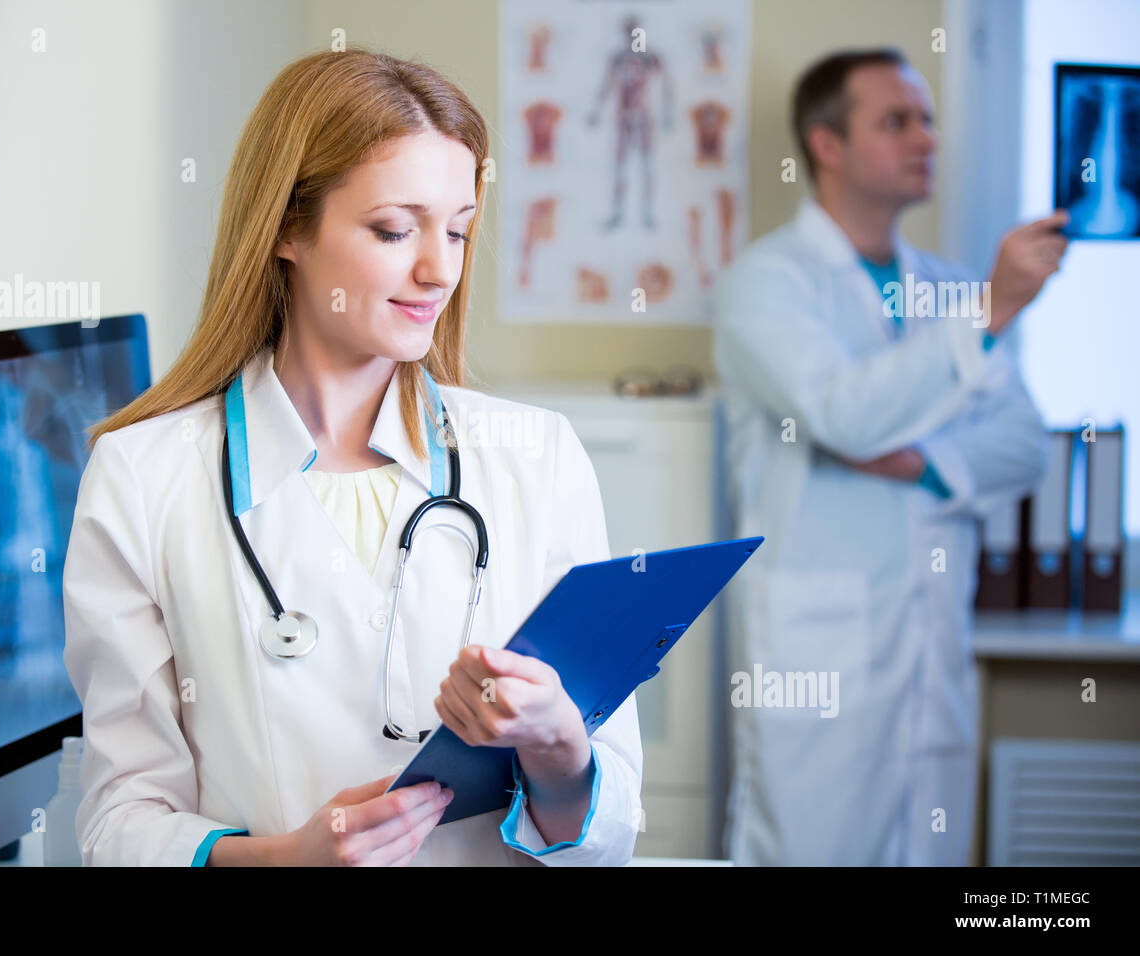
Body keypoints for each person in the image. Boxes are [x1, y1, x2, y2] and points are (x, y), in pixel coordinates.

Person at [62, 49, 641, 866]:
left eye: (460, 230)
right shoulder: (144, 477)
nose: (439, 269)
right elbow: (120, 821)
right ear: (289, 227)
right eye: (394, 230)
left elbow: (611, 835)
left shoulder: (536, 458)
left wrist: (557, 749)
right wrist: (288, 859)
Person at [715, 48, 1066, 865]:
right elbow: (843, 415)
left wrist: (923, 461)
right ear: (827, 144)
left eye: (930, 119)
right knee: (809, 847)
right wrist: (990, 310)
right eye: (896, 120)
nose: (926, 138)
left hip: (931, 631)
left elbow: (1023, 444)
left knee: (929, 843)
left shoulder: (943, 287)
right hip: (816, 639)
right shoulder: (766, 284)